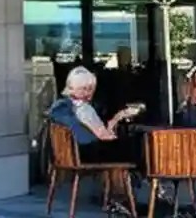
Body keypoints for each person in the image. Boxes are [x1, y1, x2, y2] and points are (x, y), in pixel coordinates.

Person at [48, 67, 140, 215]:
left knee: (120, 149)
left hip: (69, 154)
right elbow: (105, 136)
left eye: (91, 89)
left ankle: (114, 196)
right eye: (84, 88)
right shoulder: (84, 109)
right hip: (86, 153)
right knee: (132, 148)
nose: (88, 93)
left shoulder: (59, 107)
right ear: (72, 88)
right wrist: (118, 117)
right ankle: (122, 197)